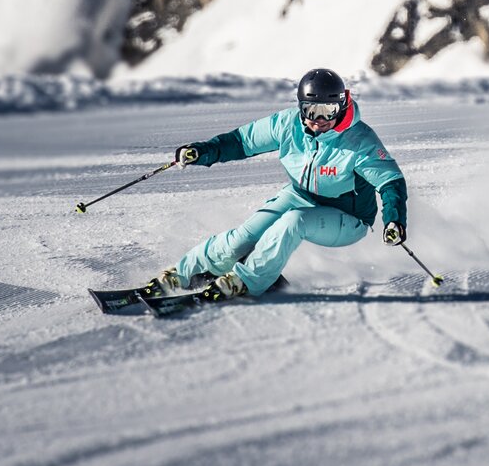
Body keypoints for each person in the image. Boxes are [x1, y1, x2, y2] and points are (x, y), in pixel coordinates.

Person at [152, 67, 408, 297]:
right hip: (301, 195)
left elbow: (390, 182)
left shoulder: (359, 140)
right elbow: (242, 141)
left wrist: (394, 220)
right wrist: (203, 151)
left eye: (328, 111)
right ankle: (182, 273)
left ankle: (247, 281)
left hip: (349, 216)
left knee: (293, 222)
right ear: (301, 107)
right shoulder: (287, 124)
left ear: (341, 106)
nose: (320, 120)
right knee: (242, 238)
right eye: (311, 111)